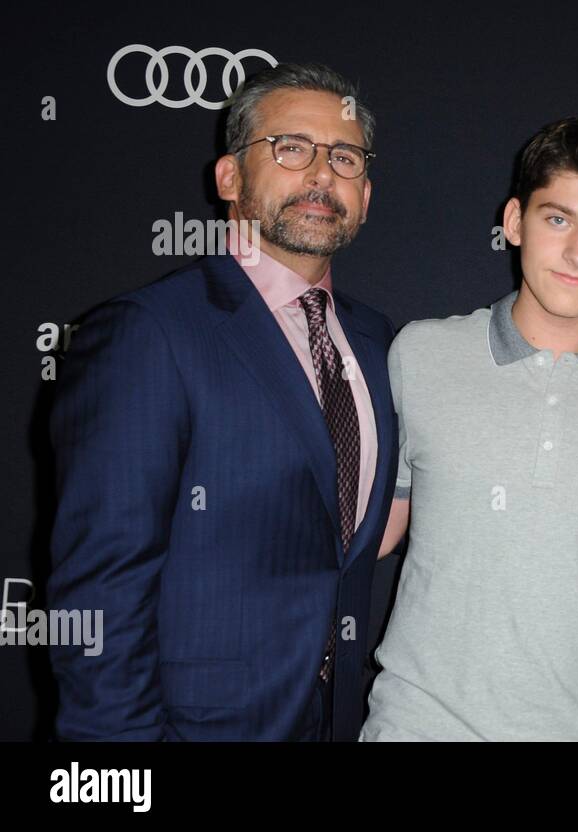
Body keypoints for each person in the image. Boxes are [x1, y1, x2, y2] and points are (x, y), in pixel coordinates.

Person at [47, 63, 397, 741]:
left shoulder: (379, 341)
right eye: (292, 148)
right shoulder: (150, 332)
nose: (322, 175)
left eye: (345, 157)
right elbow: (101, 588)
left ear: (367, 192)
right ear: (230, 177)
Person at [362, 118, 578, 741]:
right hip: (418, 725)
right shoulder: (421, 353)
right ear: (514, 221)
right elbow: (375, 531)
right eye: (558, 219)